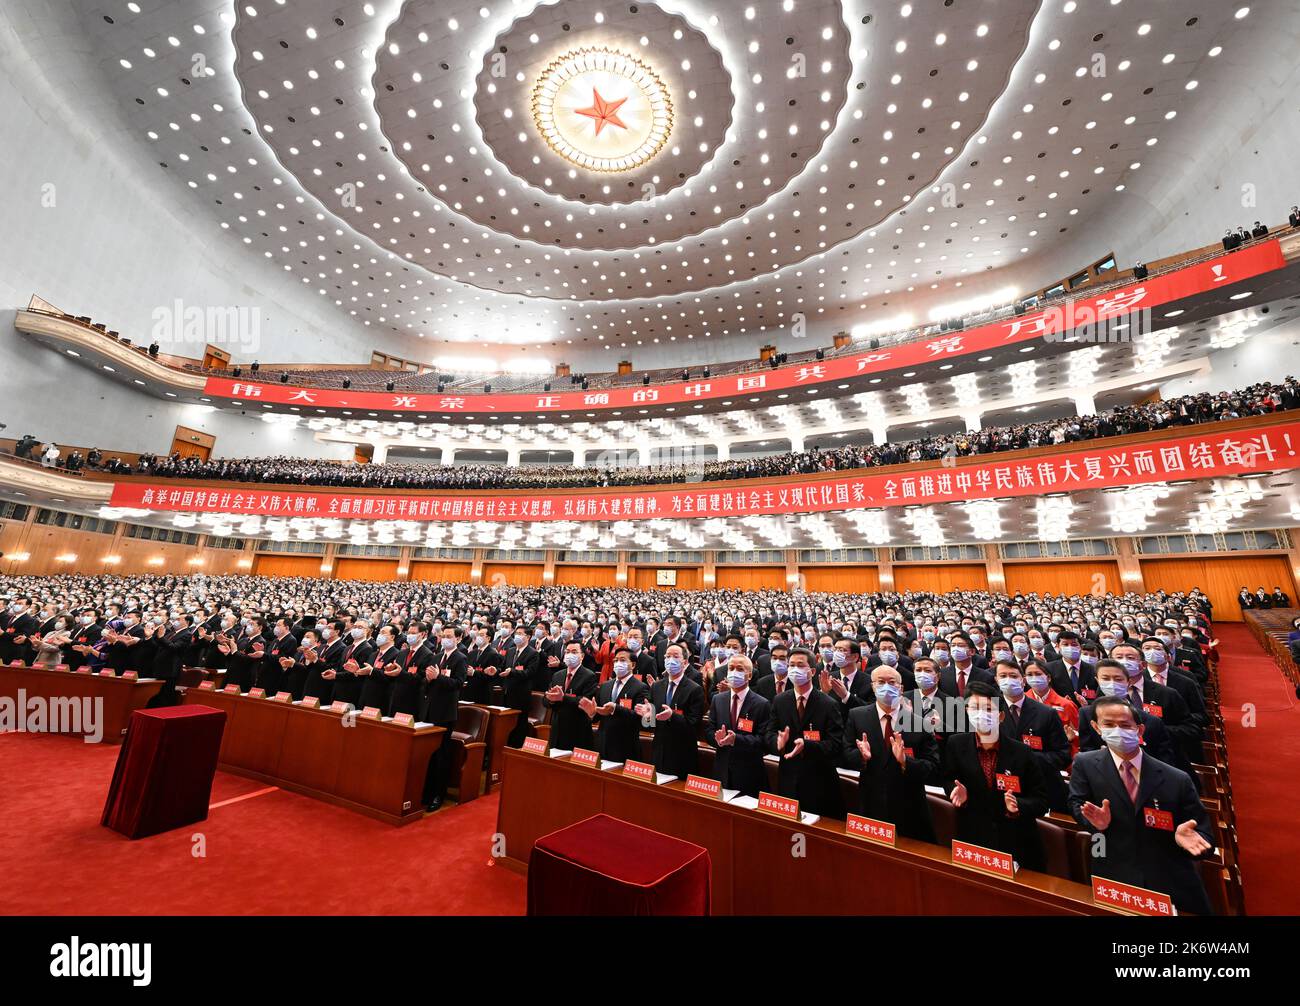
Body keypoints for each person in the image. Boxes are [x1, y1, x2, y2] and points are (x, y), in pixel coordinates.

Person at [1069, 696, 1215, 915]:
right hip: (1113, 872)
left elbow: (1204, 837)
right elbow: (1076, 801)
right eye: (1108, 724)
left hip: (1169, 879)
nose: (1117, 730)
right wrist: (1094, 822)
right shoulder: (1085, 764)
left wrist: (1189, 842)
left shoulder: (1176, 778)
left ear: (1139, 730)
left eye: (1125, 725)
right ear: (1096, 728)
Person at [941, 682, 1047, 871]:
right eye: (975, 708)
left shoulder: (1022, 752)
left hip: (1016, 842)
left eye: (988, 709)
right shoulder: (956, 744)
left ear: (1001, 716)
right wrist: (956, 792)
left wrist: (1018, 806)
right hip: (973, 838)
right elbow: (949, 779)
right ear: (967, 711)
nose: (981, 714)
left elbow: (1041, 801)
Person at [842, 665, 940, 841]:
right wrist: (862, 757)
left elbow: (932, 767)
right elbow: (846, 754)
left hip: (909, 808)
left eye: (892, 682)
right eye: (880, 682)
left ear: (901, 688)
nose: (886, 686)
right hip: (871, 803)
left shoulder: (920, 723)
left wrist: (905, 762)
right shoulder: (857, 716)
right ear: (872, 686)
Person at [765, 647, 845, 818]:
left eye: (800, 665)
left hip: (819, 781)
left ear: (812, 671)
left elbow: (836, 745)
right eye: (791, 665)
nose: (794, 669)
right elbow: (769, 733)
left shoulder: (828, 704)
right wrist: (777, 743)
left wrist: (807, 745)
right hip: (789, 777)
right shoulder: (780, 700)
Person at [636, 642, 704, 779]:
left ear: (685, 662)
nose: (670, 660)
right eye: (667, 656)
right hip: (659, 750)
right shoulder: (656, 686)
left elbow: (694, 725)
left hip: (682, 753)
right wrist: (647, 716)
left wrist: (672, 715)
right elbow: (649, 724)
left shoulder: (695, 689)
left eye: (675, 656)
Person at [708, 654, 771, 797]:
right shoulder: (718, 699)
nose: (734, 672)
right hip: (722, 771)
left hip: (749, 774)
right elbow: (709, 730)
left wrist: (736, 740)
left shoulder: (762, 704)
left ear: (748, 675)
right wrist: (717, 739)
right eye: (731, 668)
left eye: (739, 669)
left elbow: (763, 741)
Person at [419, 626, 467, 811]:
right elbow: (425, 682)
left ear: (458, 638)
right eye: (443, 636)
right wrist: (429, 680)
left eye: (449, 636)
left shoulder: (460, 658)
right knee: (429, 754)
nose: (444, 639)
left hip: (446, 713)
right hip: (430, 710)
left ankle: (438, 795)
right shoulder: (436, 656)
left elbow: (457, 683)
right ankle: (426, 792)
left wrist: (438, 678)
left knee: (441, 755)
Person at [585, 646, 649, 763]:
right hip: (603, 744)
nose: (618, 663)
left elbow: (640, 719)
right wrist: (592, 713)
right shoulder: (605, 685)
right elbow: (598, 716)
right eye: (616, 660)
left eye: (623, 660)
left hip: (625, 747)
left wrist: (615, 709)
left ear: (633, 665)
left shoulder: (641, 687)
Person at [545, 640, 599, 752]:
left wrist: (563, 698)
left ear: (582, 656)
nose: (570, 655)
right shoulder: (557, 675)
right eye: (567, 651)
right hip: (557, 729)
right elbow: (545, 700)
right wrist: (550, 700)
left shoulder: (589, 676)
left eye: (574, 652)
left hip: (577, 729)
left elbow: (585, 701)